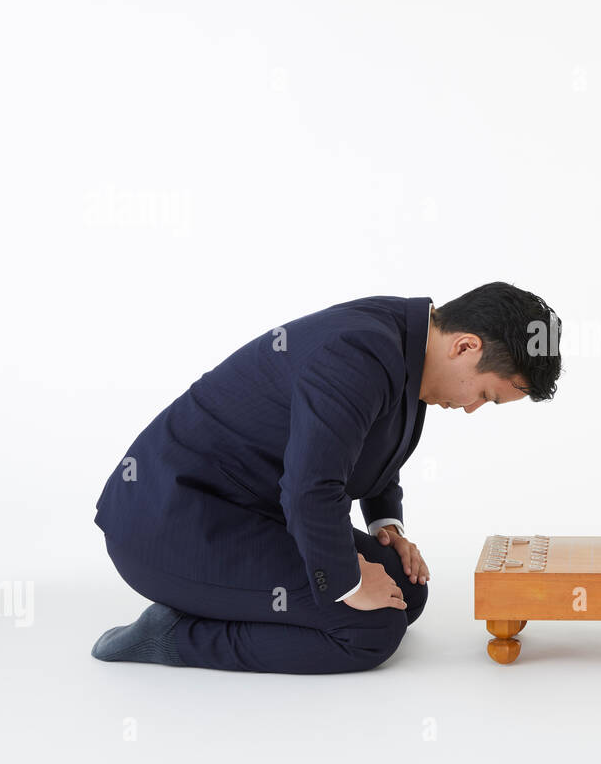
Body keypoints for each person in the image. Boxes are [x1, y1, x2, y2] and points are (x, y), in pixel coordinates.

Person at [89, 282, 561, 674]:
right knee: (368, 631)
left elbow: (370, 447)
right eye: (486, 395)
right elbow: (310, 486)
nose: (474, 409)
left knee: (407, 593)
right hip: (170, 524)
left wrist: (386, 529)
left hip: (251, 509)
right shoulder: (358, 352)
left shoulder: (409, 340)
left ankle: (225, 601)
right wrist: (348, 582)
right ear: (466, 346)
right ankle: (173, 636)